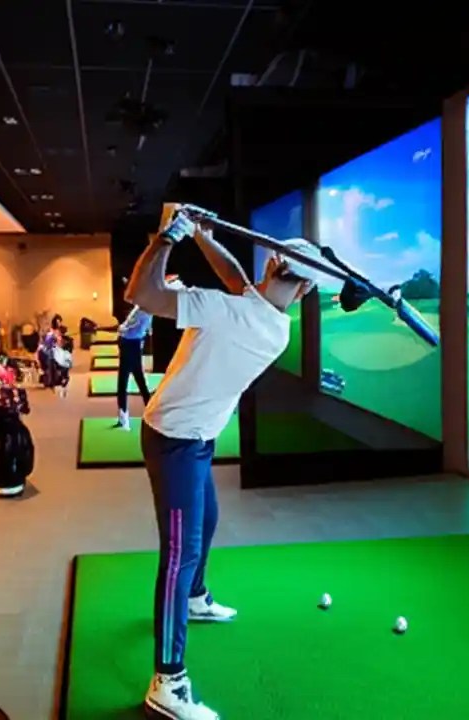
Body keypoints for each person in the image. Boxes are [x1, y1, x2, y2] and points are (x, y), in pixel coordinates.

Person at [125, 207, 321, 720]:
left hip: (191, 436)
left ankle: (193, 598)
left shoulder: (224, 309)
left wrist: (170, 237)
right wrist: (202, 236)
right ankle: (168, 682)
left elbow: (141, 292)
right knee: (180, 552)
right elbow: (235, 280)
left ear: (272, 263)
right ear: (306, 290)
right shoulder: (272, 325)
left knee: (204, 523)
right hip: (175, 439)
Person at [114, 302, 152, 430]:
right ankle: (124, 415)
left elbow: (131, 327)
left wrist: (121, 329)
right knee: (138, 381)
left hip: (131, 346)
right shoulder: (138, 308)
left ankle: (124, 418)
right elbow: (128, 324)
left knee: (125, 383)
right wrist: (122, 327)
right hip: (129, 344)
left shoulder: (145, 312)